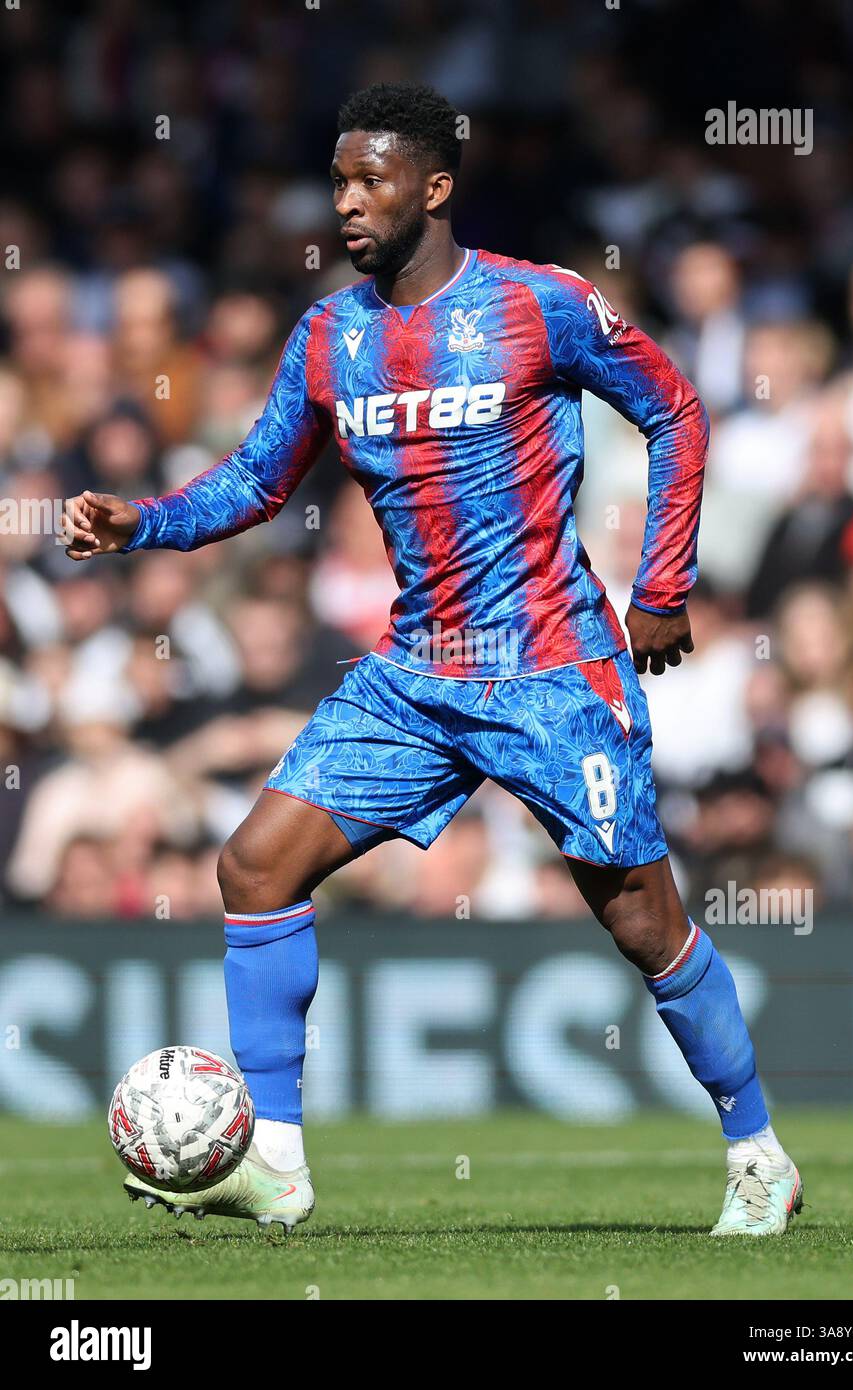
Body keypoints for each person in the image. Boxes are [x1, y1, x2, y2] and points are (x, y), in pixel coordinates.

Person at [60, 82, 801, 1236]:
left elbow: (675, 411)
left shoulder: (540, 304)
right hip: (416, 674)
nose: (345, 202)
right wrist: (139, 522)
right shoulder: (330, 337)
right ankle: (282, 1166)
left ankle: (757, 1150)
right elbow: (258, 481)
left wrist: (660, 587)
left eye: (369, 180)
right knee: (255, 866)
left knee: (643, 923)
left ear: (435, 187)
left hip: (553, 673)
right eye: (339, 180)